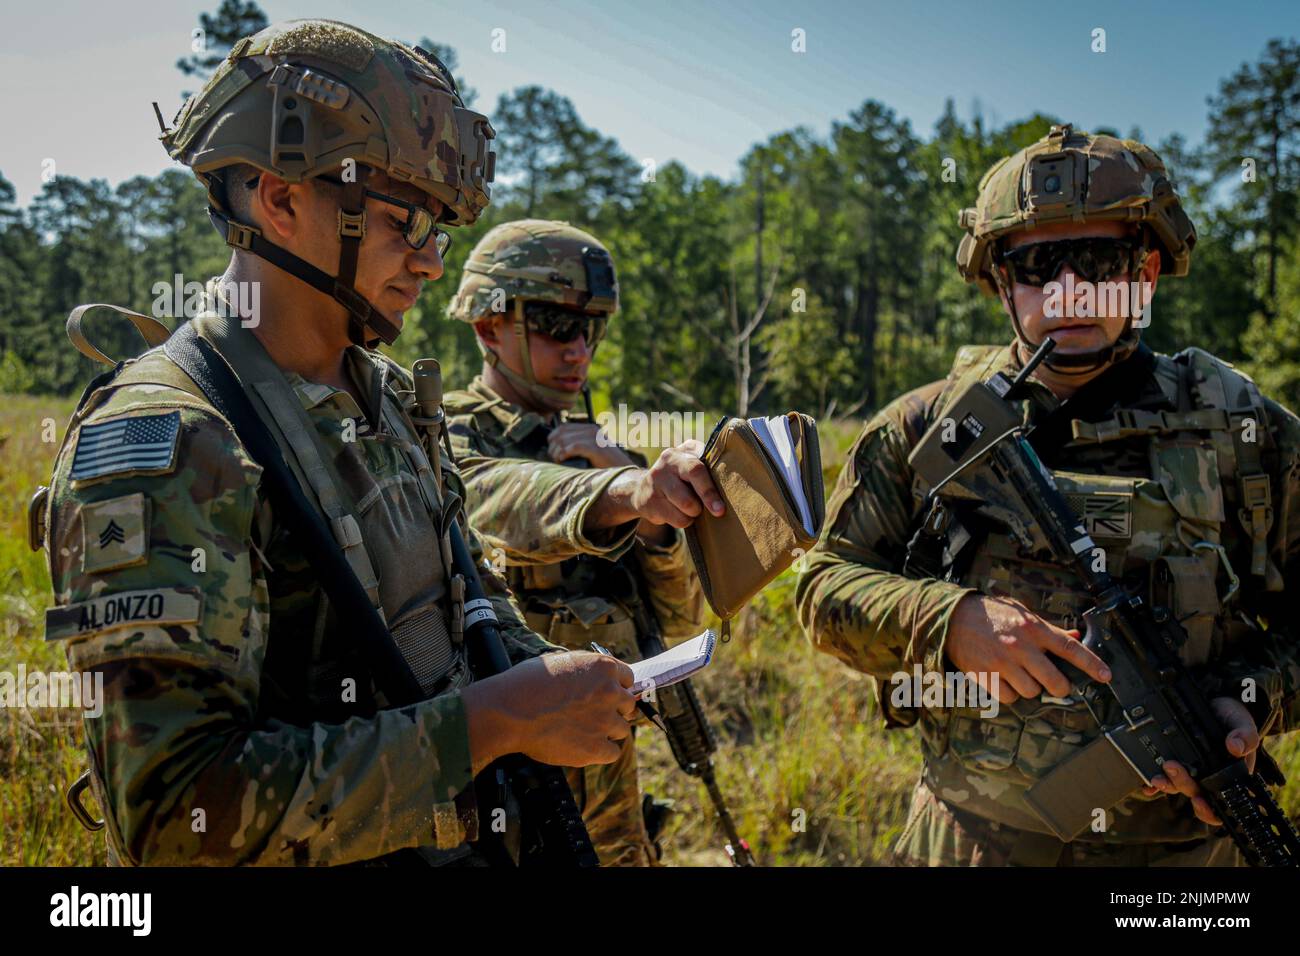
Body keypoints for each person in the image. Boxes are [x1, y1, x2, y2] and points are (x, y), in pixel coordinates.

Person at [34, 19, 639, 866]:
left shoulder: (384, 397)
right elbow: (174, 816)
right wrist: (490, 724)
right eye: (407, 225)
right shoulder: (168, 443)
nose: (430, 264)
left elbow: (464, 605)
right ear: (282, 201)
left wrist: (557, 681)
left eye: (440, 232)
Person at [796, 123, 1300, 866]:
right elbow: (821, 587)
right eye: (1038, 267)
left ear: (1148, 272)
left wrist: (1252, 699)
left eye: (1100, 261)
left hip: (1181, 858)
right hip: (969, 837)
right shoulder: (924, 428)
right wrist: (951, 620)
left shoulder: (1242, 427)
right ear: (1002, 282)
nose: (1069, 292)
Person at [442, 219, 717, 865]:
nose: (578, 352)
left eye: (589, 329)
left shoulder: (599, 449)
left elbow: (681, 626)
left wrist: (650, 520)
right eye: (557, 327)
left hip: (610, 792)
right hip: (511, 792)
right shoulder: (443, 435)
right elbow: (493, 495)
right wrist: (622, 493)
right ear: (488, 326)